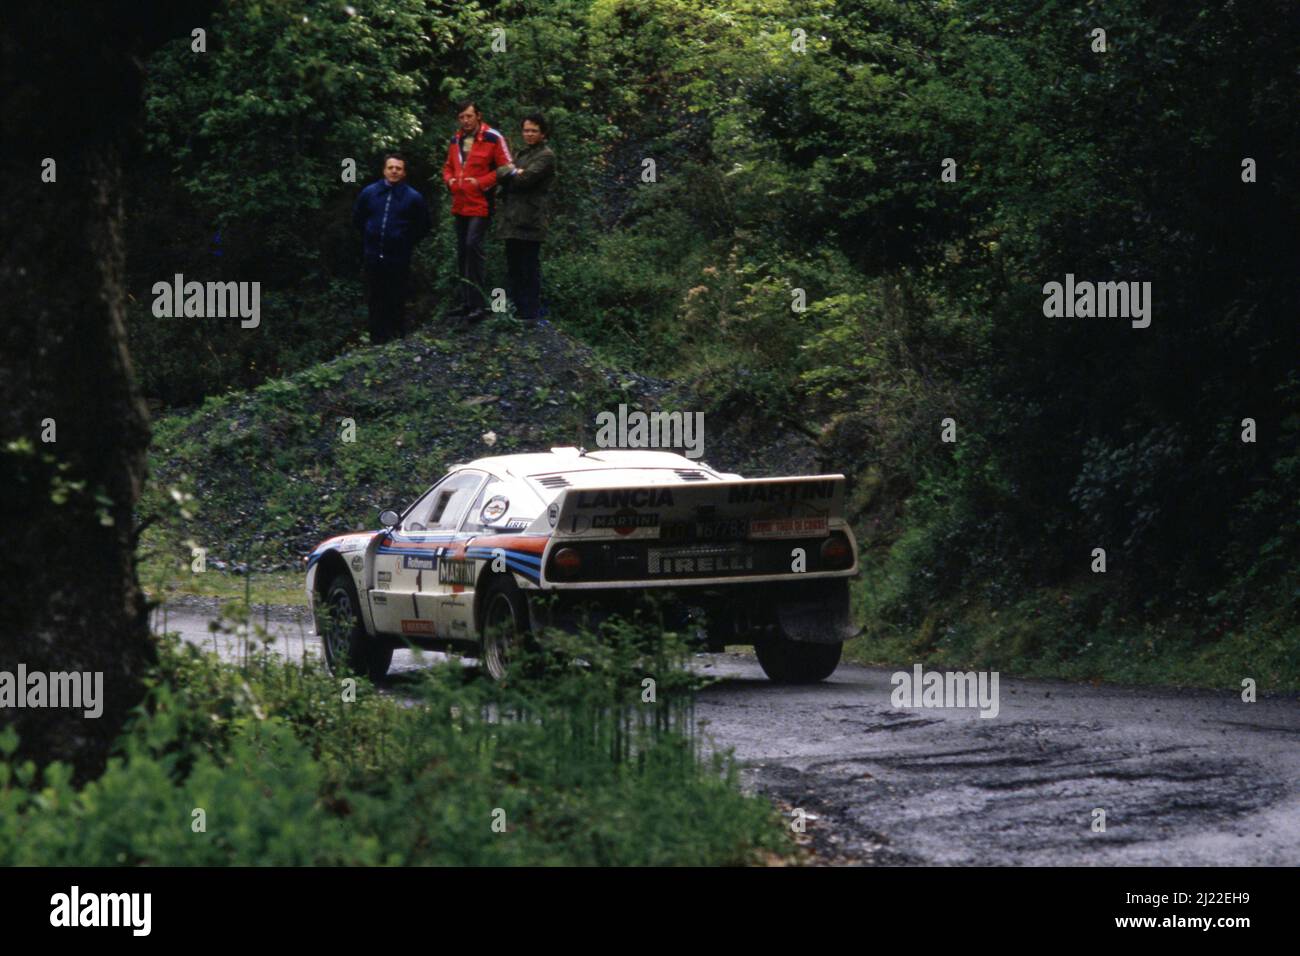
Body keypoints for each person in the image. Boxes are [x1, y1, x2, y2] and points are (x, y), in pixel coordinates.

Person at [442, 101, 512, 323]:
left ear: (478, 116)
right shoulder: (456, 139)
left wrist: (481, 182)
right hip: (460, 202)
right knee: (463, 250)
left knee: (473, 246)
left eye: (469, 116)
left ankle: (480, 304)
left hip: (481, 202)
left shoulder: (493, 137)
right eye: (462, 117)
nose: (465, 121)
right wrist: (450, 180)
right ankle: (466, 303)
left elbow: (507, 167)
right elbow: (448, 166)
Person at [351, 153, 431, 344]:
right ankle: (376, 339)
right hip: (373, 254)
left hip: (399, 256)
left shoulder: (413, 197)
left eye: (398, 168)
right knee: (375, 297)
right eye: (391, 167)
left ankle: (397, 338)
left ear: (404, 172)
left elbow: (423, 225)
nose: (394, 171)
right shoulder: (369, 192)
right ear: (384, 170)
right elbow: (358, 218)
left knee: (397, 295)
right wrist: (370, 237)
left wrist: (405, 241)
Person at [495, 114, 557, 325]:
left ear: (543, 133)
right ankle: (514, 309)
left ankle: (529, 313)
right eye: (526, 130)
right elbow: (501, 170)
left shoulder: (546, 155)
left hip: (531, 219)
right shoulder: (521, 153)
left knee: (528, 267)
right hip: (512, 219)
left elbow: (525, 179)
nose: (529, 134)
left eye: (534, 131)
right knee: (513, 265)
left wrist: (513, 173)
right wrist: (514, 171)